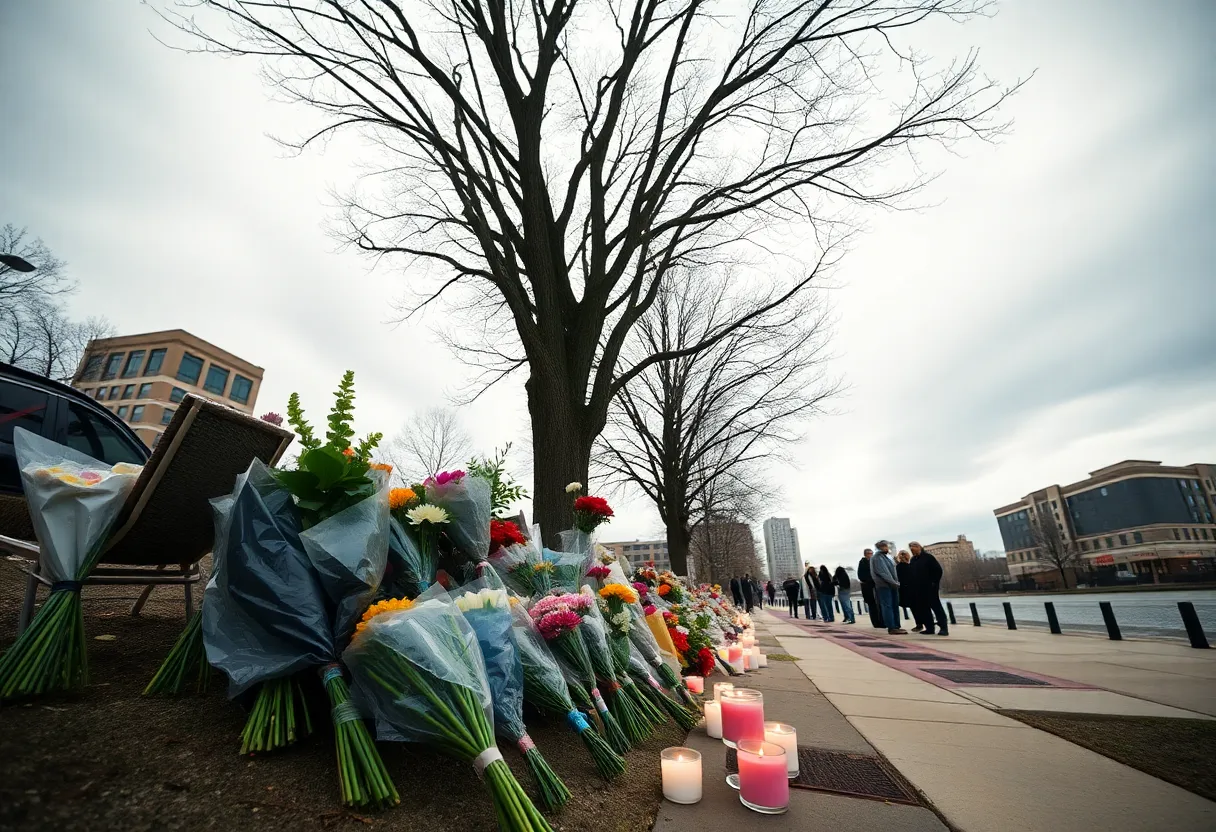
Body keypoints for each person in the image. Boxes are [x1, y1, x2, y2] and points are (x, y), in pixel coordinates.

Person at [909, 541, 949, 635]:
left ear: (919, 547)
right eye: (911, 549)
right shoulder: (913, 560)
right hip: (918, 589)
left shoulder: (928, 558)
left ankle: (943, 627)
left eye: (914, 548)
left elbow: (938, 570)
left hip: (930, 588)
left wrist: (934, 583)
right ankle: (929, 628)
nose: (912, 550)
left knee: (936, 607)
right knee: (923, 609)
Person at [871, 541, 907, 634]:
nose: (888, 548)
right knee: (888, 606)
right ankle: (891, 627)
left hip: (892, 585)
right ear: (882, 547)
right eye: (886, 547)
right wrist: (894, 582)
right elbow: (884, 573)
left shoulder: (886, 557)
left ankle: (896, 625)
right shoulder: (877, 558)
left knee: (894, 605)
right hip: (885, 585)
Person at [857, 549, 884, 628]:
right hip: (869, 587)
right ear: (865, 554)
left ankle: (882, 621)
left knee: (879, 604)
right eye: (869, 553)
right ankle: (876, 623)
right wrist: (870, 580)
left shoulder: (874, 562)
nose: (871, 555)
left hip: (876, 585)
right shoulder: (863, 563)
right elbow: (861, 576)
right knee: (872, 605)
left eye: (872, 553)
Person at [896, 550, 920, 631]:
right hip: (914, 588)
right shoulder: (911, 566)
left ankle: (919, 624)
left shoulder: (898, 567)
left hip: (904, 589)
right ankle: (921, 623)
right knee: (917, 607)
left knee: (913, 607)